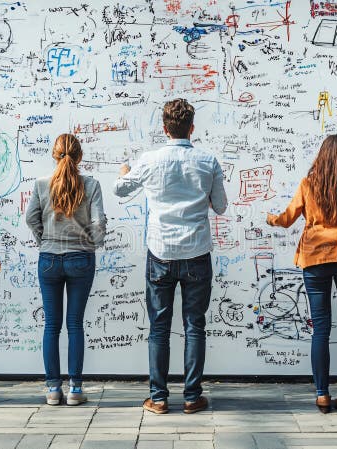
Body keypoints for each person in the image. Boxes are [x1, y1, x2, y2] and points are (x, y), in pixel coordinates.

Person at [114, 98, 227, 414]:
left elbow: (120, 190)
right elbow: (220, 206)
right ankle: (192, 397)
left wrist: (124, 171)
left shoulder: (150, 159)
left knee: (159, 327)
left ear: (165, 128)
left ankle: (159, 398)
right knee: (195, 325)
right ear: (192, 128)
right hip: (196, 252)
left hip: (161, 252)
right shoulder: (208, 161)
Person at [266, 134, 337, 414]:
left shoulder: (309, 185)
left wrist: (271, 218)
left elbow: (287, 218)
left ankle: (322, 395)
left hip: (315, 259)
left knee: (321, 328)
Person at [25, 133, 106, 406]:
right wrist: (91, 244)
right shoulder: (91, 184)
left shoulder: (40, 184)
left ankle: (52, 389)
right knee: (74, 324)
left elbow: (30, 218)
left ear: (54, 154)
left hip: (48, 259)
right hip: (81, 259)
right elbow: (99, 222)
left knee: (51, 325)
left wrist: (44, 240)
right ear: (79, 156)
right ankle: (75, 389)